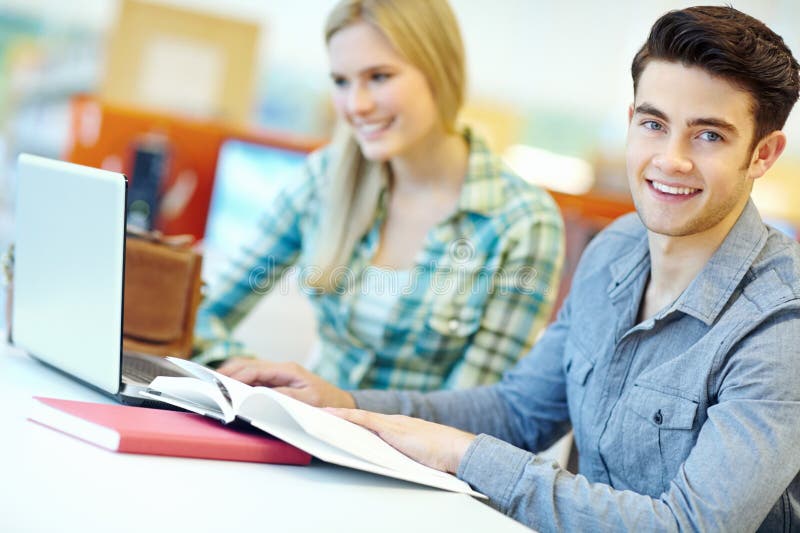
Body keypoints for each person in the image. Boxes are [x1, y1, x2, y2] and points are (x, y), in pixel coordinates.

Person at [218, 6, 800, 531]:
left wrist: (463, 454)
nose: (670, 159)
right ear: (630, 121)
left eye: (708, 136)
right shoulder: (615, 251)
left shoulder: (781, 325)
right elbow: (519, 412)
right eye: (654, 124)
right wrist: (347, 402)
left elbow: (689, 527)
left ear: (762, 154)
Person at [193, 0, 564, 391]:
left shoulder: (523, 223)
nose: (357, 105)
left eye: (379, 77)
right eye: (341, 82)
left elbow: (477, 410)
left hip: (406, 435)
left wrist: (343, 407)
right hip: (302, 425)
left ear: (440, 71)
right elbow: (199, 314)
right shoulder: (324, 178)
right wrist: (252, 379)